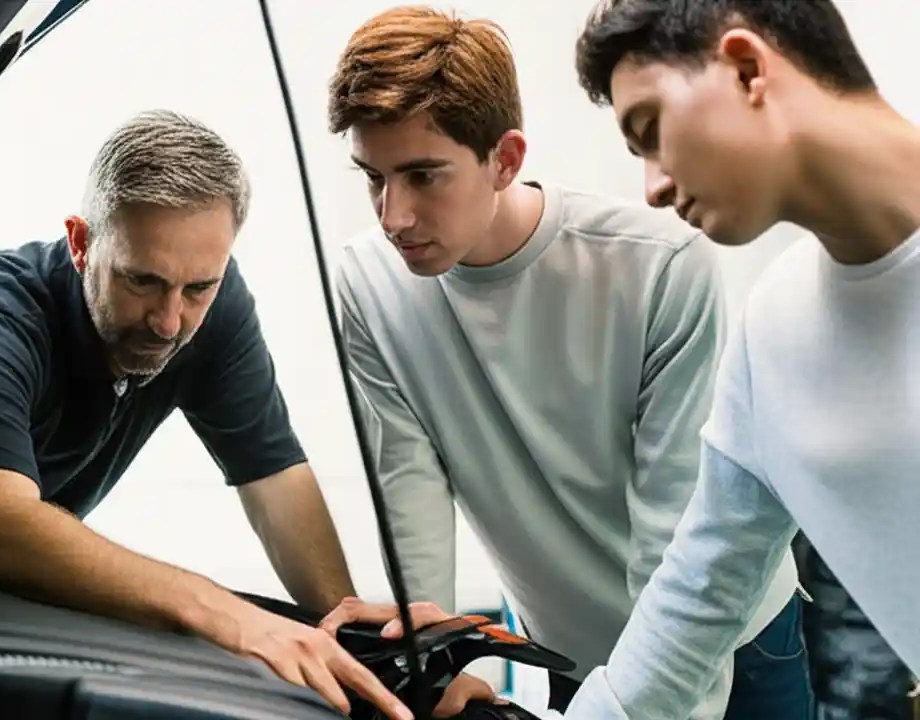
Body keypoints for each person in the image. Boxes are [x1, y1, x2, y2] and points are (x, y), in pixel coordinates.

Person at [0, 109, 414, 720]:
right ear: (80, 242)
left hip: (17, 537)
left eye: (198, 287)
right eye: (141, 281)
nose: (169, 321)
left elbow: (274, 478)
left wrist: (354, 643)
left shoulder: (218, 305)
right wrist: (222, 611)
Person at [312, 5, 811, 719]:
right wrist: (432, 666)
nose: (393, 216)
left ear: (506, 159)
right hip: (574, 654)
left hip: (728, 643)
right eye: (373, 177)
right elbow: (408, 486)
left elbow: (678, 541)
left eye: (424, 176)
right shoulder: (368, 282)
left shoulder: (659, 268)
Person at [561, 0, 920, 717]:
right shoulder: (775, 330)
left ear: (748, 67)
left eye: (651, 131)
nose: (653, 187)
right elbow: (696, 596)